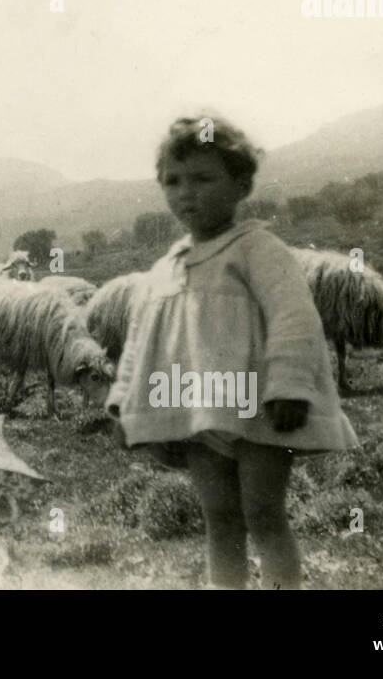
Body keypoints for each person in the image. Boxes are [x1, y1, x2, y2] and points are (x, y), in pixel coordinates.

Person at [105, 115, 358, 589]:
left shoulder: (257, 249)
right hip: (200, 411)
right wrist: (123, 402)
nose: (187, 193)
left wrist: (289, 384)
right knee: (219, 517)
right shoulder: (167, 267)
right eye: (173, 181)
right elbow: (140, 338)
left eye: (203, 178)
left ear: (241, 184)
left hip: (259, 405)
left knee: (262, 511)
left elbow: (292, 314)